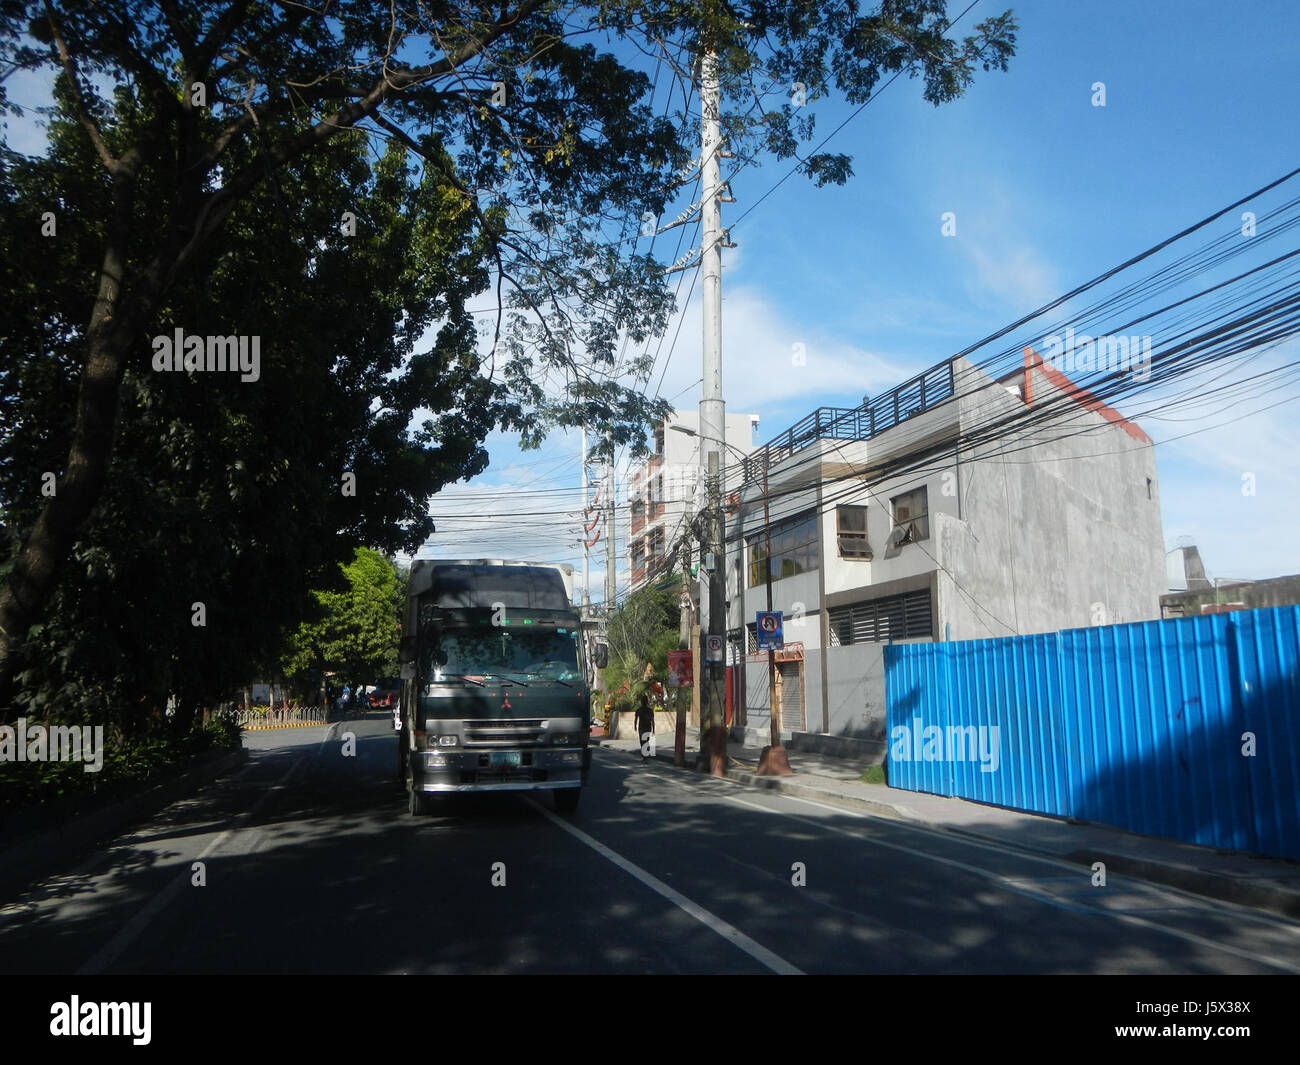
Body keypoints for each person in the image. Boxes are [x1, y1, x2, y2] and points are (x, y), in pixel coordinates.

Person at [635, 690, 655, 763]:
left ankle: (645, 757)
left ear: (641, 702)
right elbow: (652, 720)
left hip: (642, 728)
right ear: (647, 702)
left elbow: (636, 719)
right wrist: (653, 729)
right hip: (648, 727)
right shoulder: (650, 710)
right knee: (646, 741)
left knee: (642, 742)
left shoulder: (639, 710)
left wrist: (635, 726)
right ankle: (646, 754)